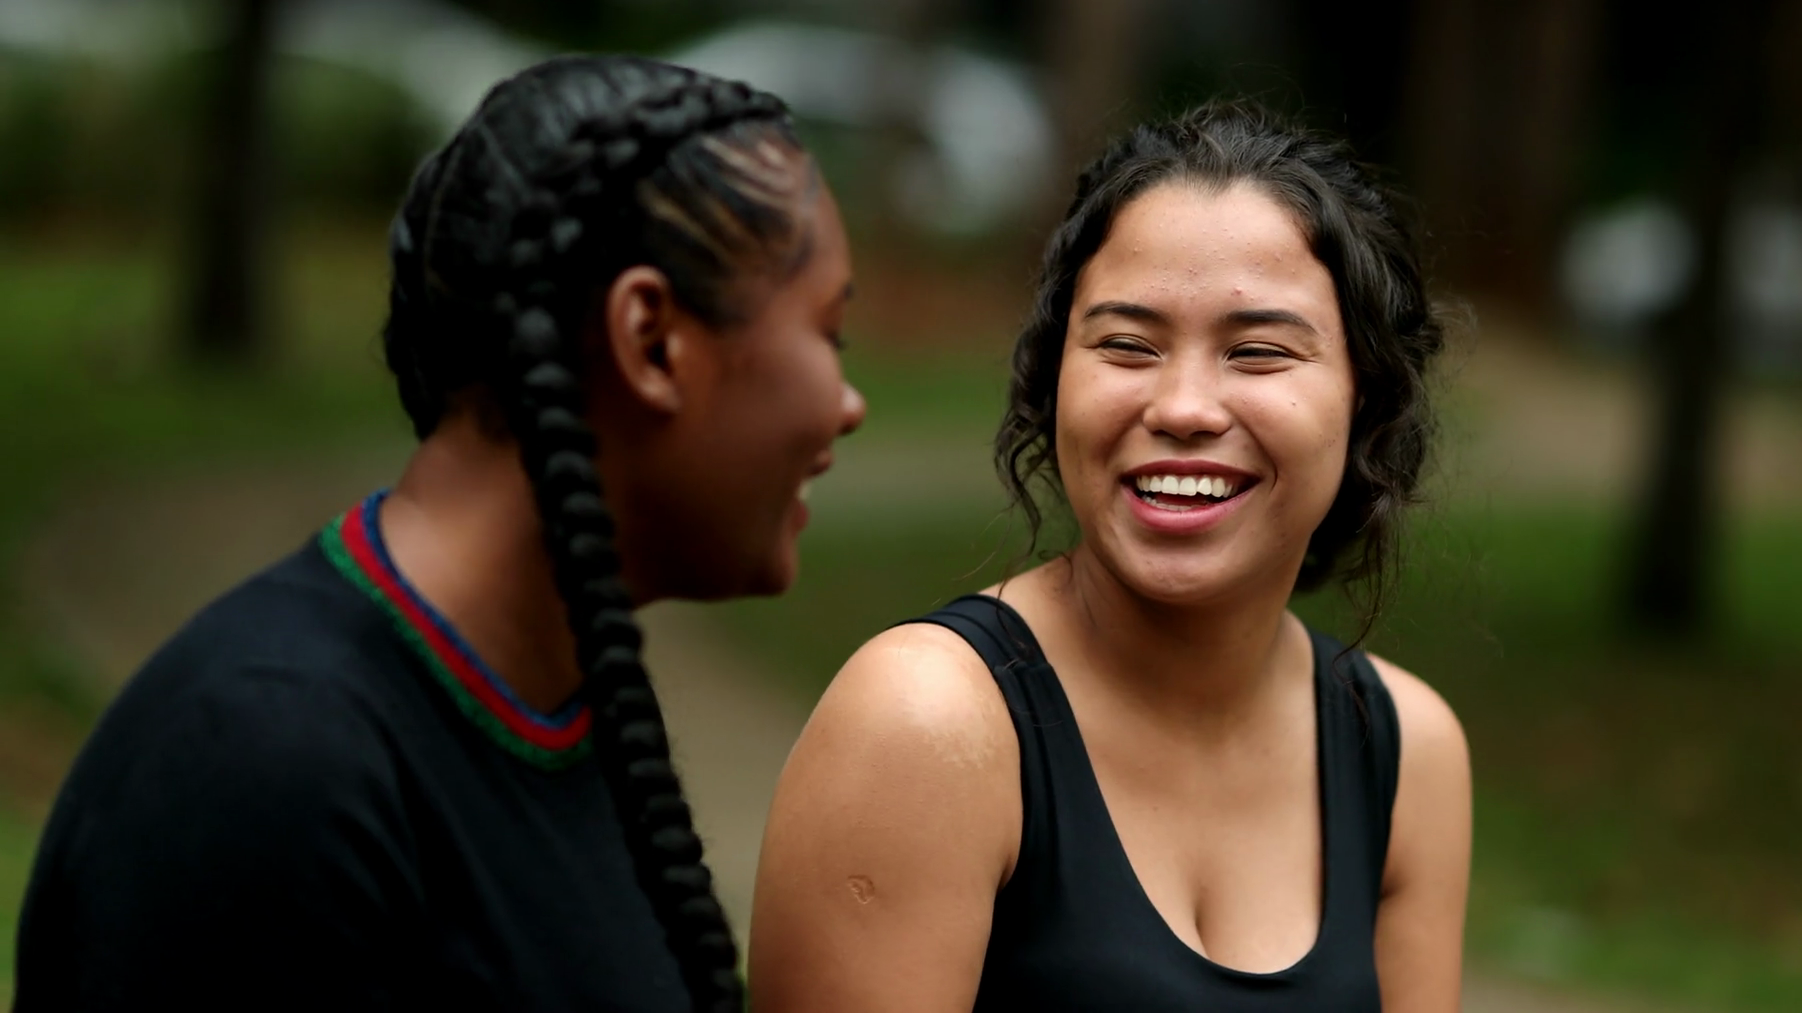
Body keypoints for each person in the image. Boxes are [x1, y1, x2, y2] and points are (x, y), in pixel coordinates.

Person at [14, 56, 862, 1012]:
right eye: (828, 332)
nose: (849, 403)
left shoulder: (573, 708)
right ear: (651, 341)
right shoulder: (268, 762)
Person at [749, 103, 1471, 1012]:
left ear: (1367, 399)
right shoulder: (928, 727)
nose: (1183, 406)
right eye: (1127, 345)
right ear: (1055, 379)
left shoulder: (1406, 751)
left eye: (1257, 352)